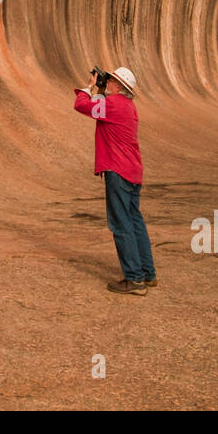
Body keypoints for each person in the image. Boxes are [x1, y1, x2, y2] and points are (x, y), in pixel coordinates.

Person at [73, 66, 156, 295]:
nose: (107, 82)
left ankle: (134, 279)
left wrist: (89, 87)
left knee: (121, 225)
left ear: (119, 86)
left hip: (117, 171)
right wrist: (100, 89)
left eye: (110, 80)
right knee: (134, 221)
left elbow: (82, 105)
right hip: (132, 171)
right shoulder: (127, 106)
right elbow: (101, 108)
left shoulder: (114, 105)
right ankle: (147, 274)